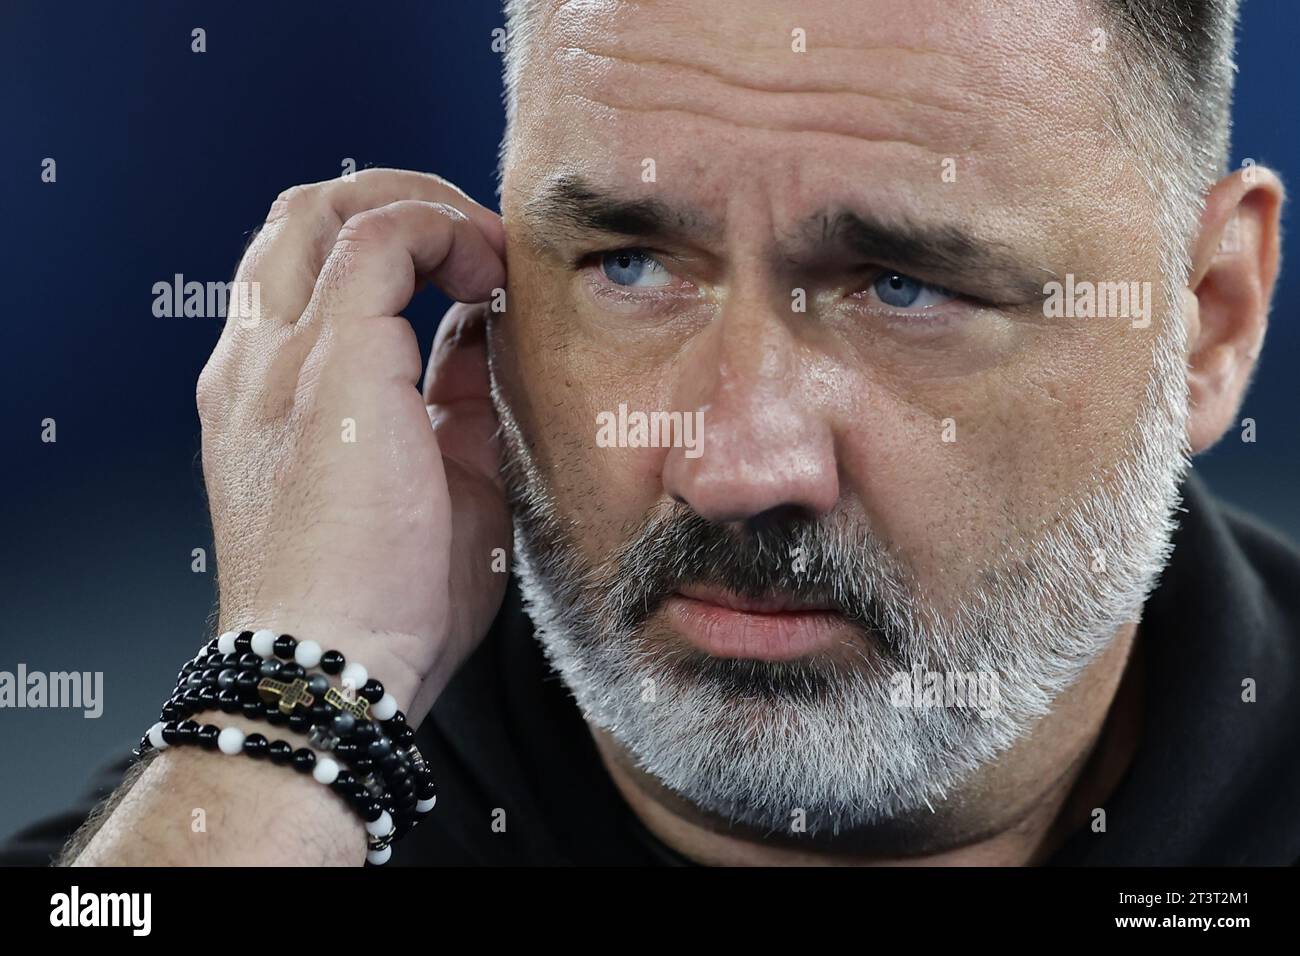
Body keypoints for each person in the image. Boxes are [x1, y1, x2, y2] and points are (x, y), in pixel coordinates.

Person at [5, 0, 1297, 867]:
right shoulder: (277, 790)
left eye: (904, 287)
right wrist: (290, 712)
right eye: (631, 264)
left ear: (1210, 319)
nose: (734, 464)